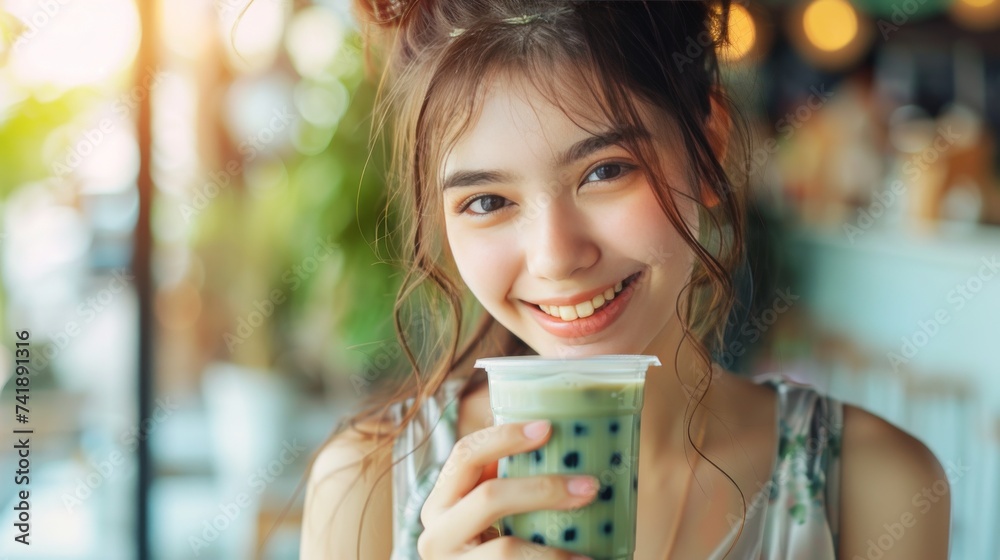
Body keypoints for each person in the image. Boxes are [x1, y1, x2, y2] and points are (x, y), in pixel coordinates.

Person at [299, 1, 951, 558]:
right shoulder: (367, 485)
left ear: (708, 146)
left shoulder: (867, 484)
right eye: (488, 202)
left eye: (606, 171)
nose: (555, 257)